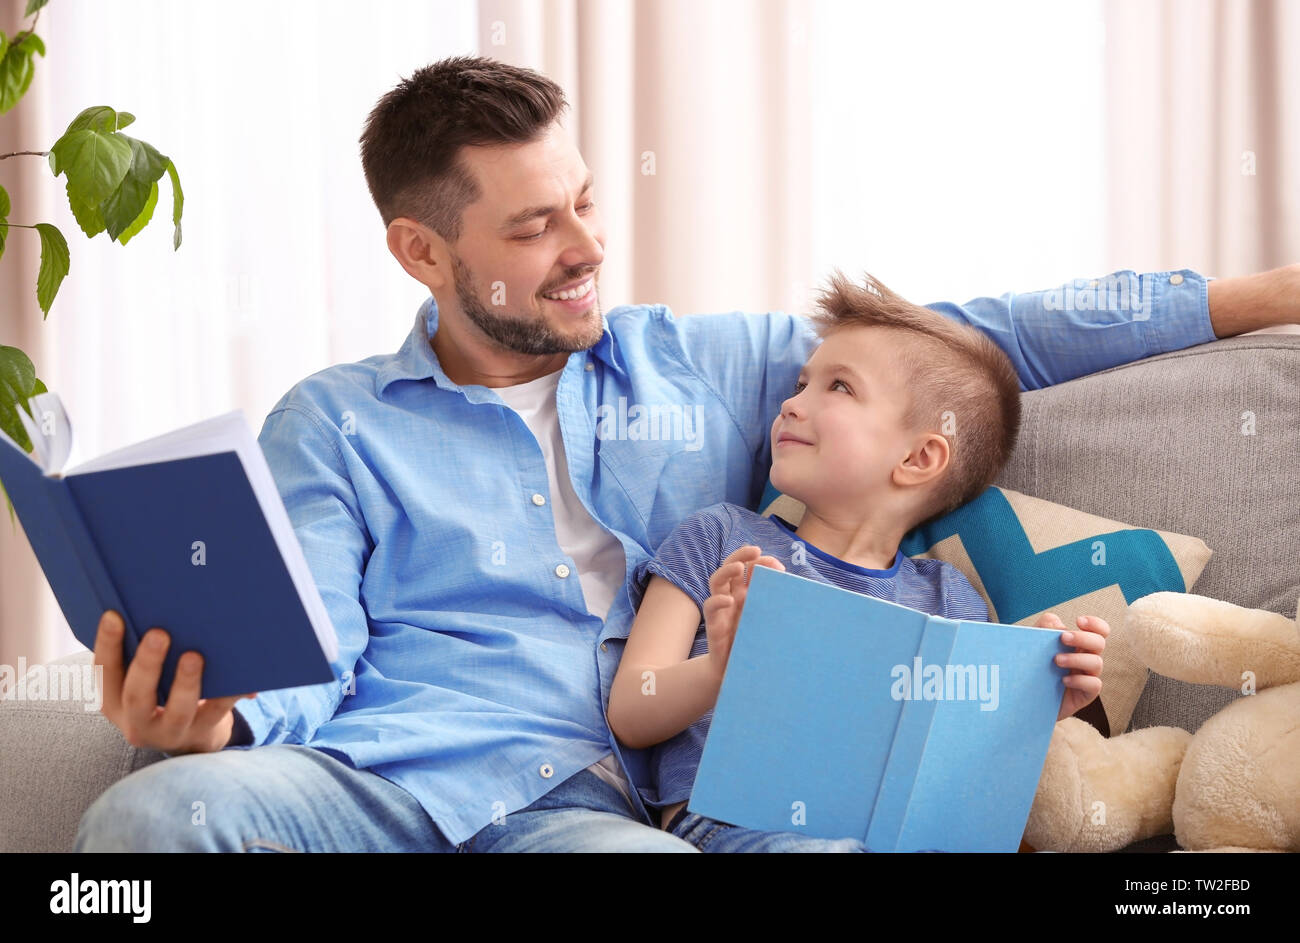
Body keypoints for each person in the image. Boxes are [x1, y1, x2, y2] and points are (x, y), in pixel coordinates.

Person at [77, 55, 1299, 853]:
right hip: (377, 779)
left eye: (587, 202)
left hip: (585, 811)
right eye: (534, 225)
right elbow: (308, 653)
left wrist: (1261, 294)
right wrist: (219, 727)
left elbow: (988, 335)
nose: (585, 247)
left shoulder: (714, 368)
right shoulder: (333, 421)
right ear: (421, 252)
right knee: (149, 822)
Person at [607, 271, 1109, 851]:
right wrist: (722, 671)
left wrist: (1035, 708)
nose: (791, 404)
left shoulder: (949, 602)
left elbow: (957, 770)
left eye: (839, 387)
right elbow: (630, 710)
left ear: (919, 457)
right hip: (733, 826)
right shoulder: (720, 539)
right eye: (801, 383)